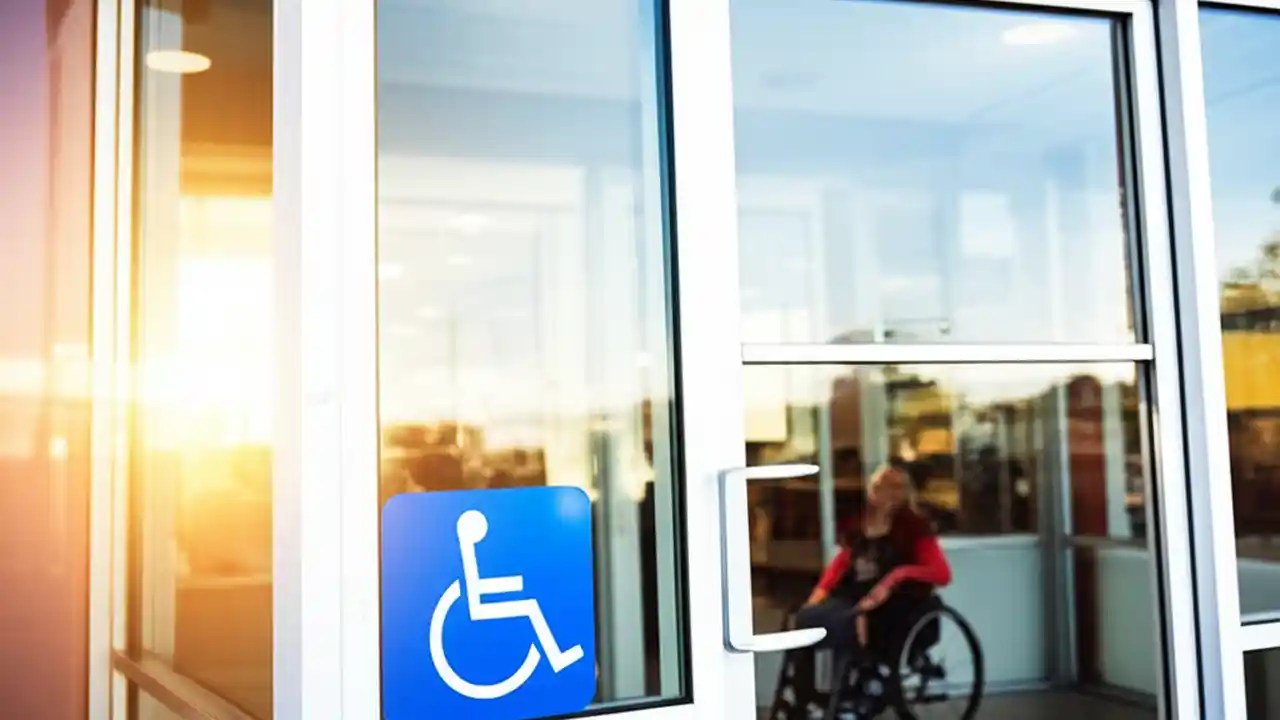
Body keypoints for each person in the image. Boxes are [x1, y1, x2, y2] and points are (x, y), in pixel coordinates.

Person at [795, 464, 952, 658]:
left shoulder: (915, 527)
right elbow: (840, 564)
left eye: (895, 487)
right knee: (808, 618)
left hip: (898, 598)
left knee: (850, 620)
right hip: (856, 594)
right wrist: (818, 594)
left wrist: (896, 576)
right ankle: (812, 685)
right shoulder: (859, 526)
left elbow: (941, 574)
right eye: (879, 486)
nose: (885, 492)